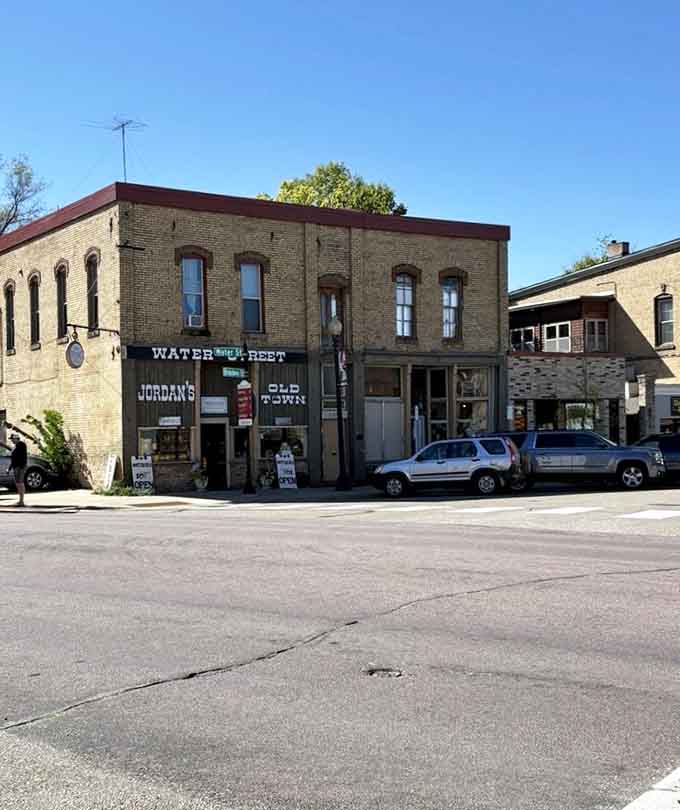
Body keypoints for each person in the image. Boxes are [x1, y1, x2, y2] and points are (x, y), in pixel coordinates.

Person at [8, 434, 28, 507]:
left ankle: (21, 501)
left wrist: (22, 467)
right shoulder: (15, 446)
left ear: (16, 438)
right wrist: (9, 468)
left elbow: (23, 457)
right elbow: (13, 459)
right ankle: (20, 501)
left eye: (12, 439)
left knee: (20, 483)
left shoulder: (21, 445)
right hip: (16, 467)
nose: (12, 440)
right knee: (18, 483)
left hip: (20, 467)